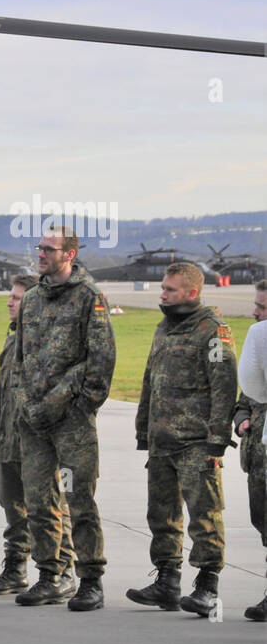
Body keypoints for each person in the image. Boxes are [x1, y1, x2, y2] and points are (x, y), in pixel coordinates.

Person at [125, 263, 238, 616]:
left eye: (170, 290)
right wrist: (144, 429)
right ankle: (167, 581)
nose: (162, 294)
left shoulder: (214, 330)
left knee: (204, 516)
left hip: (195, 441)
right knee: (161, 514)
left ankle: (207, 586)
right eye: (163, 288)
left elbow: (224, 386)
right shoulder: (165, 328)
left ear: (192, 292)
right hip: (162, 441)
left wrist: (216, 440)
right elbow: (150, 380)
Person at [14, 225, 116, 610]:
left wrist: (81, 406)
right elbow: (20, 358)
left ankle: (90, 578)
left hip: (71, 421)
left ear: (69, 254)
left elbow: (101, 359)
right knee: (38, 500)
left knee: (79, 498)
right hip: (34, 422)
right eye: (39, 247)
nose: (41, 253)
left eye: (49, 248)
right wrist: (25, 402)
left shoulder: (89, 298)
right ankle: (50, 575)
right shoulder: (33, 299)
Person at [0, 274, 77, 594]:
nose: (9, 302)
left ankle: (63, 569)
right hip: (9, 439)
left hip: (40, 441)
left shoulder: (50, 343)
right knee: (11, 504)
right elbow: (2, 393)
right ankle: (15, 567)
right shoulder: (13, 339)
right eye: (11, 296)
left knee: (50, 507)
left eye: (17, 298)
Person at [232, 280, 267, 618]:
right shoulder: (258, 346)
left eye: (263, 308)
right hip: (258, 455)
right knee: (264, 523)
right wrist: (241, 418)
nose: (255, 312)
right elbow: (245, 398)